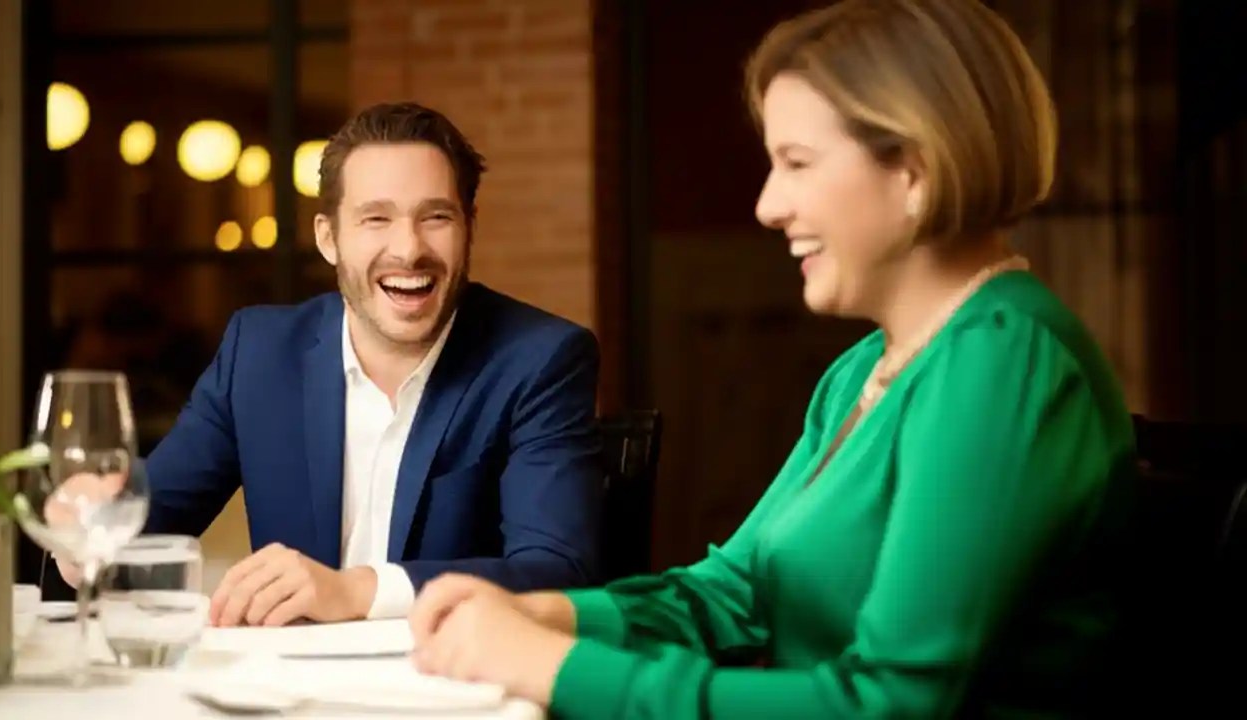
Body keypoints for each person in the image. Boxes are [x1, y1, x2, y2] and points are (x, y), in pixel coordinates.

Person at [403, 1, 1137, 717]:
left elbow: (891, 703)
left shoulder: (1002, 362)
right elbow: (738, 589)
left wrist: (555, 668)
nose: (766, 205)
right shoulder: (865, 369)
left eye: (796, 162)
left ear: (914, 169)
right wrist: (548, 615)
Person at [57, 102, 604, 627]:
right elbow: (150, 516)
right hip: (285, 688)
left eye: (435, 217)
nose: (408, 249)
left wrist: (356, 590)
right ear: (328, 238)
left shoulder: (539, 359)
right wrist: (90, 525)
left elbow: (556, 571)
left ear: (469, 228)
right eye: (375, 219)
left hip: (452, 685)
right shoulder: (260, 352)